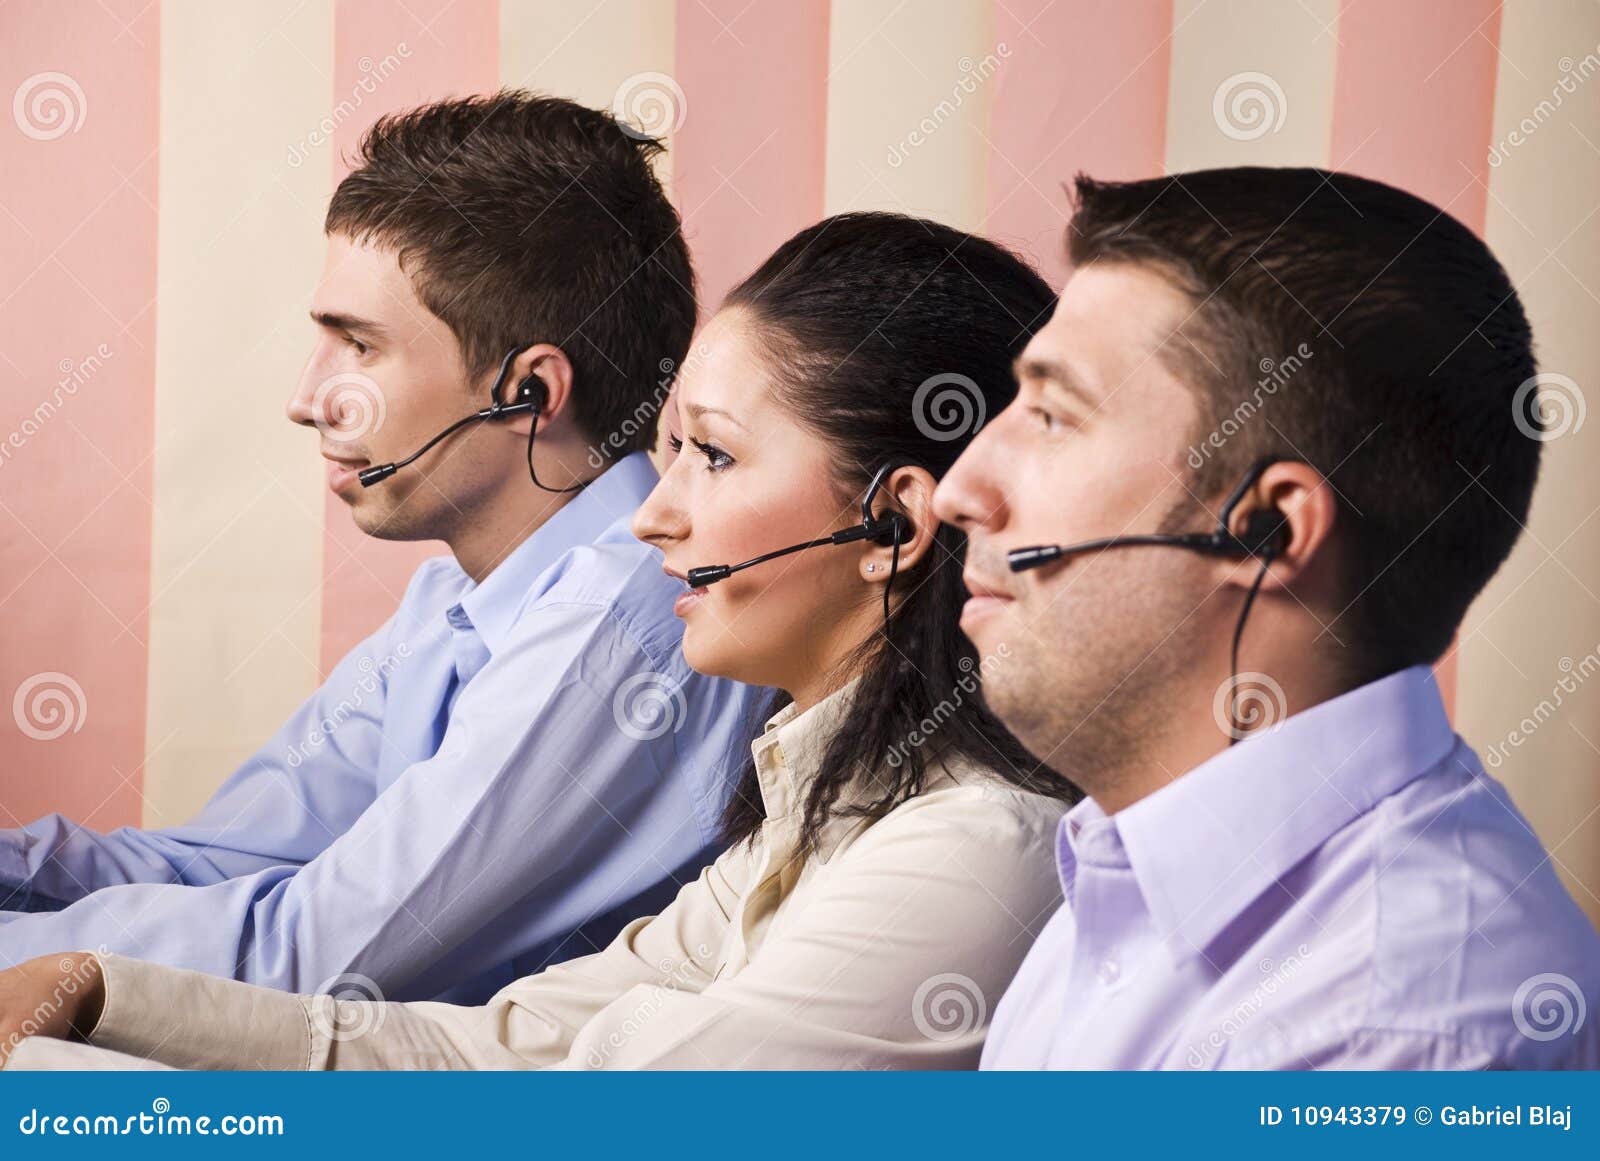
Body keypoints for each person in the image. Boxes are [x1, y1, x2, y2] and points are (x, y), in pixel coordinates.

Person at [0, 211, 1080, 1071]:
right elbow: (496, 1053)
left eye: (711, 455)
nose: (654, 511)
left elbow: (378, 996)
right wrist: (96, 987)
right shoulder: (795, 819)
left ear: (890, 522)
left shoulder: (968, 850)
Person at [0, 91, 766, 1005]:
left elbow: (305, 959)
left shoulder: (625, 617)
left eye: (358, 346)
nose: (306, 395)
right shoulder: (453, 607)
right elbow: (214, 862)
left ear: (527, 391)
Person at [930, 166, 1600, 1069]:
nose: (958, 489)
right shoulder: (1115, 861)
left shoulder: (1408, 1027)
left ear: (1264, 529)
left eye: (1051, 415)